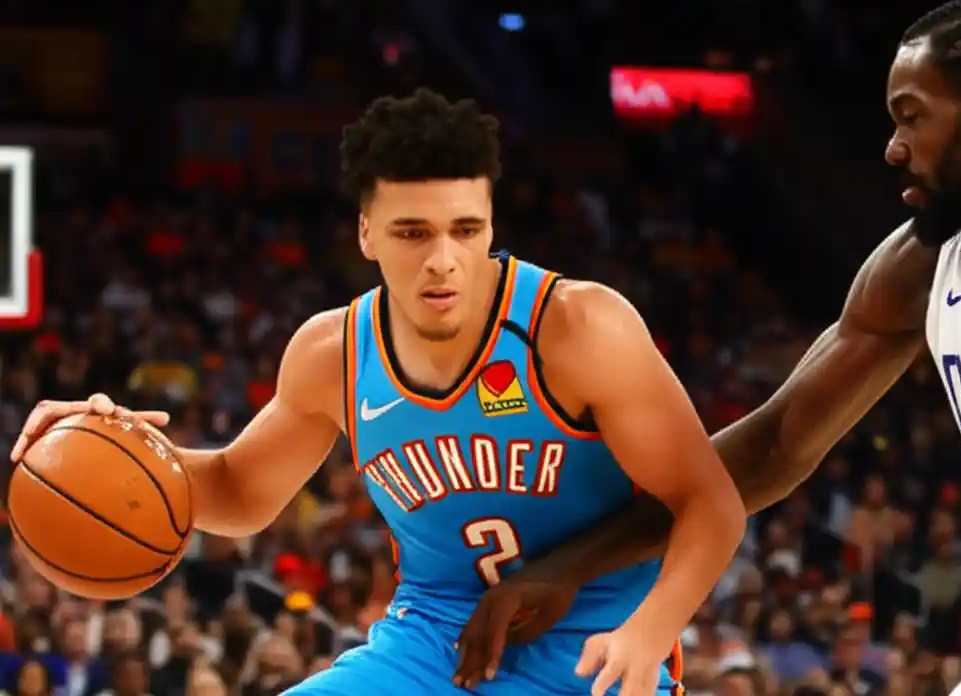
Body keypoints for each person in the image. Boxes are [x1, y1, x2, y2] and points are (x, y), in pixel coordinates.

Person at [450, 0, 961, 695]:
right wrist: (572, 564)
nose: (891, 148)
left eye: (911, 118)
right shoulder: (921, 270)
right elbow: (776, 443)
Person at [11, 88, 747, 696]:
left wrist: (652, 631)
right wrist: (127, 454)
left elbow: (709, 503)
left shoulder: (580, 328)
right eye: (412, 233)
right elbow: (239, 490)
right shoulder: (332, 353)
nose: (443, 261)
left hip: (593, 649)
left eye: (466, 230)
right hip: (427, 643)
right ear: (366, 234)